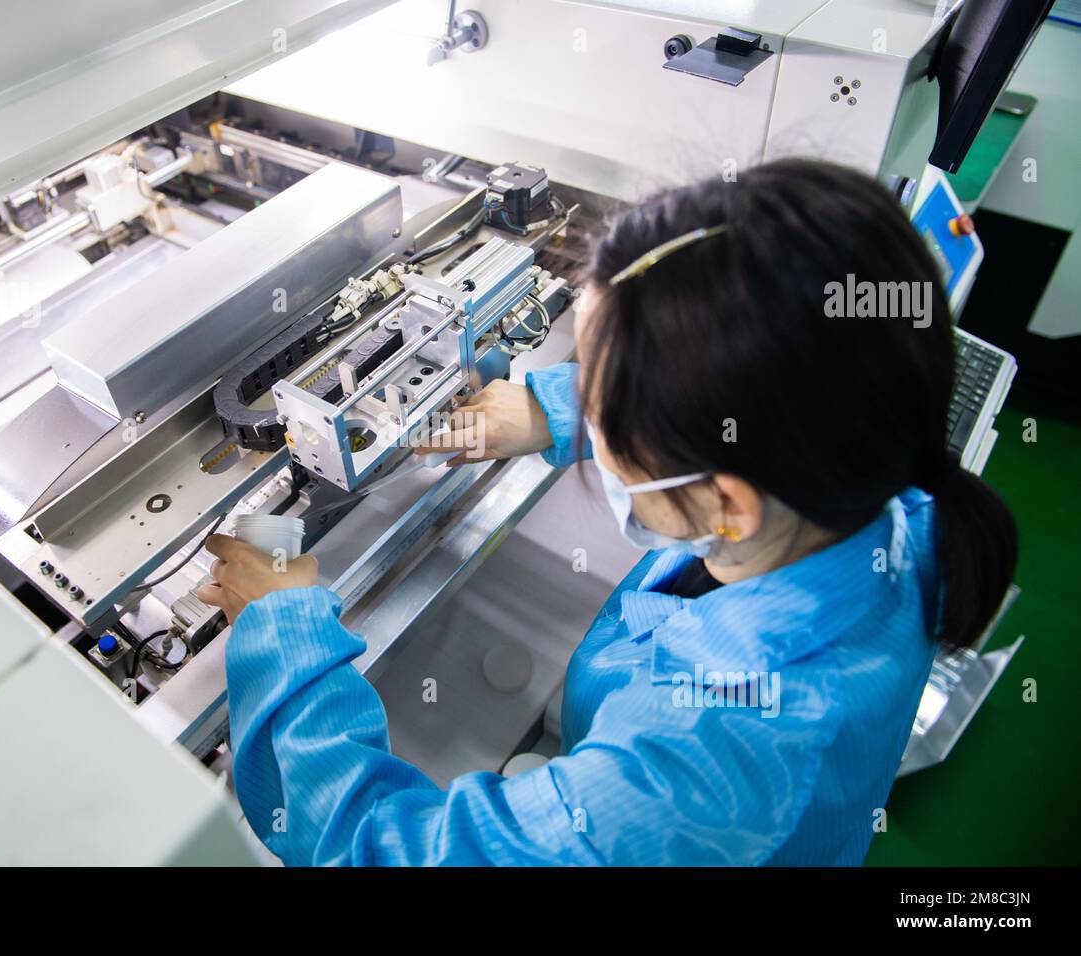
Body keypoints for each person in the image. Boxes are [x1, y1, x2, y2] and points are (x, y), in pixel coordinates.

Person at [196, 158, 1017, 866]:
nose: (585, 400)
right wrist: (556, 411)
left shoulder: (698, 768)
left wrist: (285, 635)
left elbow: (379, 847)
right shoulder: (877, 486)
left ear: (726, 504)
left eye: (603, 395)